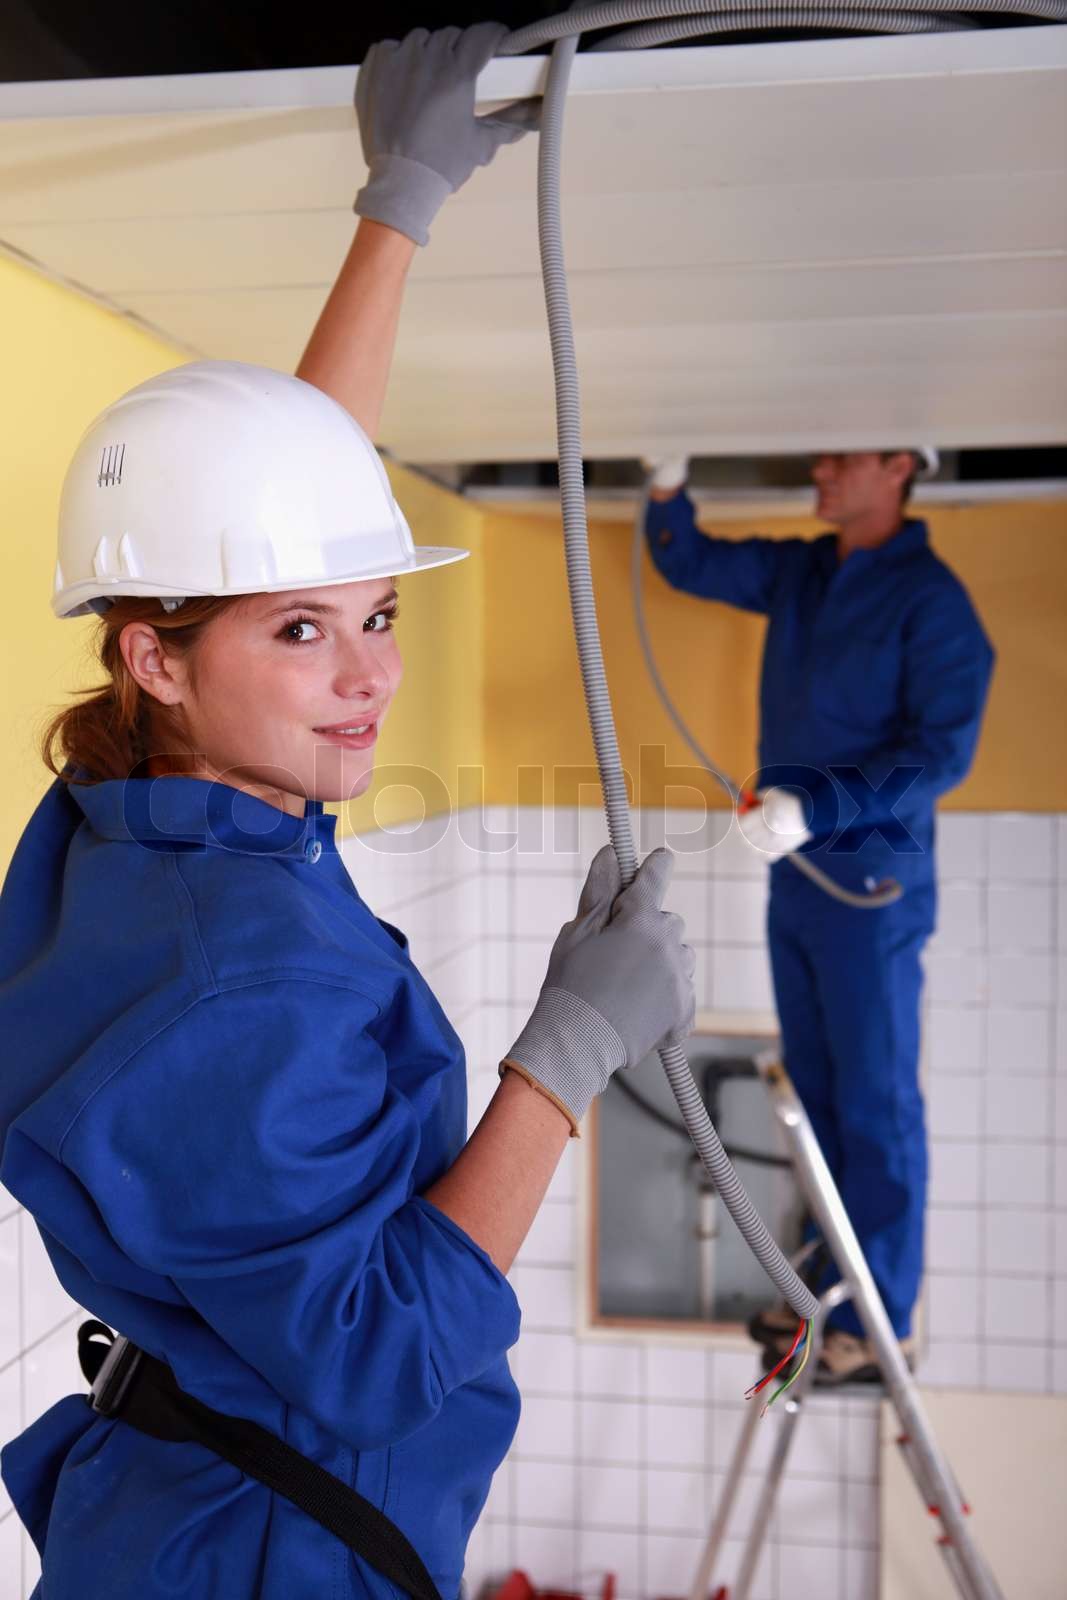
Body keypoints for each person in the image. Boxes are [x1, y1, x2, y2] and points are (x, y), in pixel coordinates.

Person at [0, 27, 696, 1598]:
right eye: (306, 639)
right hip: (277, 1545)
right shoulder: (239, 960)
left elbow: (277, 530)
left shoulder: (138, 813)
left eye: (375, 616)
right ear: (154, 657)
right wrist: (560, 1057)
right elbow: (381, 1355)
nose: (366, 675)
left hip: (207, 1496)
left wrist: (401, 199)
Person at [643, 449, 995, 1382]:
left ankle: (882, 1314)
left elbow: (941, 756)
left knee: (874, 1099)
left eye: (843, 457)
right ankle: (833, 1283)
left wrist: (819, 809)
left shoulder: (931, 601)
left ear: (898, 467)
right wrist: (666, 487)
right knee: (815, 1096)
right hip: (798, 876)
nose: (819, 468)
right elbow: (690, 564)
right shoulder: (805, 571)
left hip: (868, 886)